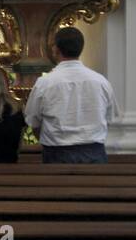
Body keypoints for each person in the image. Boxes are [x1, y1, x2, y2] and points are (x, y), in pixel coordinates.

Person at [25, 27, 116, 164]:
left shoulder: (45, 83)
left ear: (56, 49)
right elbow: (109, 118)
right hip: (93, 152)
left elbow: (33, 121)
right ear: (81, 48)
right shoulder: (101, 82)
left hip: (57, 153)